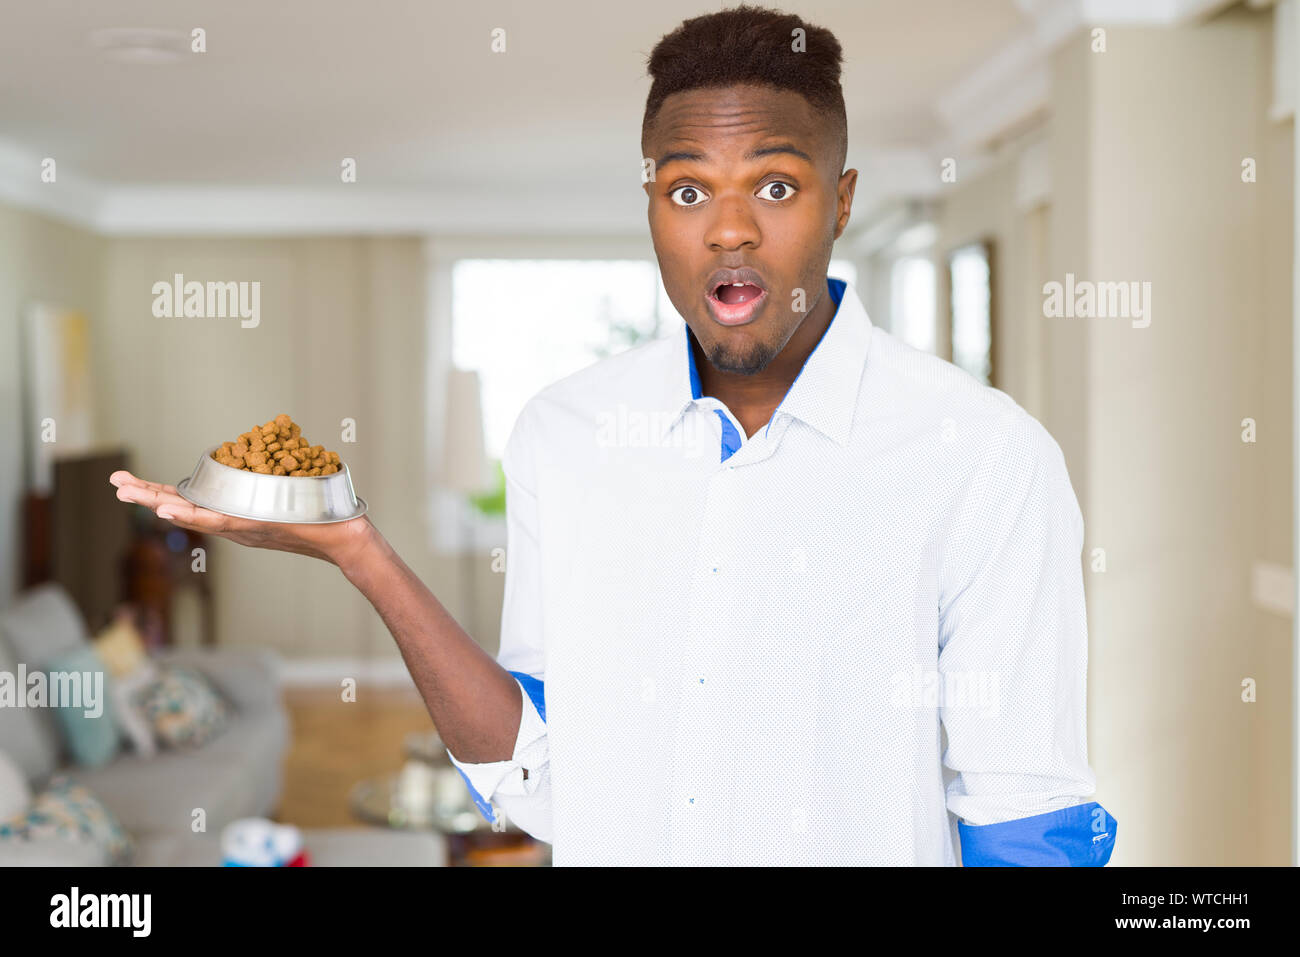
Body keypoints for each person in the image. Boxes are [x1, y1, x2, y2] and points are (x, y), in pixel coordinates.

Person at [111, 4, 1116, 866]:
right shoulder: (566, 433)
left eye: (773, 186)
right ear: (649, 207)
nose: (727, 230)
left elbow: (1024, 814)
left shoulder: (980, 455)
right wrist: (360, 555)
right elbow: (535, 769)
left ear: (840, 200)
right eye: (687, 190)